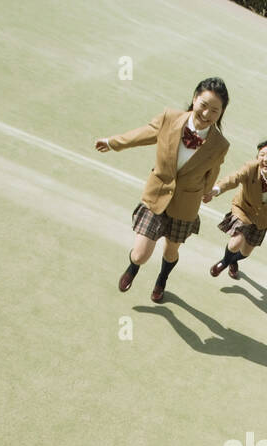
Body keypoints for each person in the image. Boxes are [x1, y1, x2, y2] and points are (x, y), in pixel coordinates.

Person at [95, 78, 231, 302]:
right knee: (140, 254)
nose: (207, 114)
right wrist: (113, 143)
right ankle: (133, 268)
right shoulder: (170, 118)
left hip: (186, 204)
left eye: (215, 111)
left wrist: (207, 191)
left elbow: (212, 171)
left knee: (171, 251)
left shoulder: (220, 144)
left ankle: (162, 280)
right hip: (157, 195)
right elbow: (143, 134)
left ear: (221, 112)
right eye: (204, 105)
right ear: (195, 98)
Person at [208, 140, 267, 280]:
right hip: (243, 209)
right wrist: (217, 189)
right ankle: (224, 262)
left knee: (245, 253)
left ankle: (233, 261)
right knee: (236, 241)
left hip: (262, 219)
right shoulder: (251, 168)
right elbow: (234, 178)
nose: (265, 158)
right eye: (261, 154)